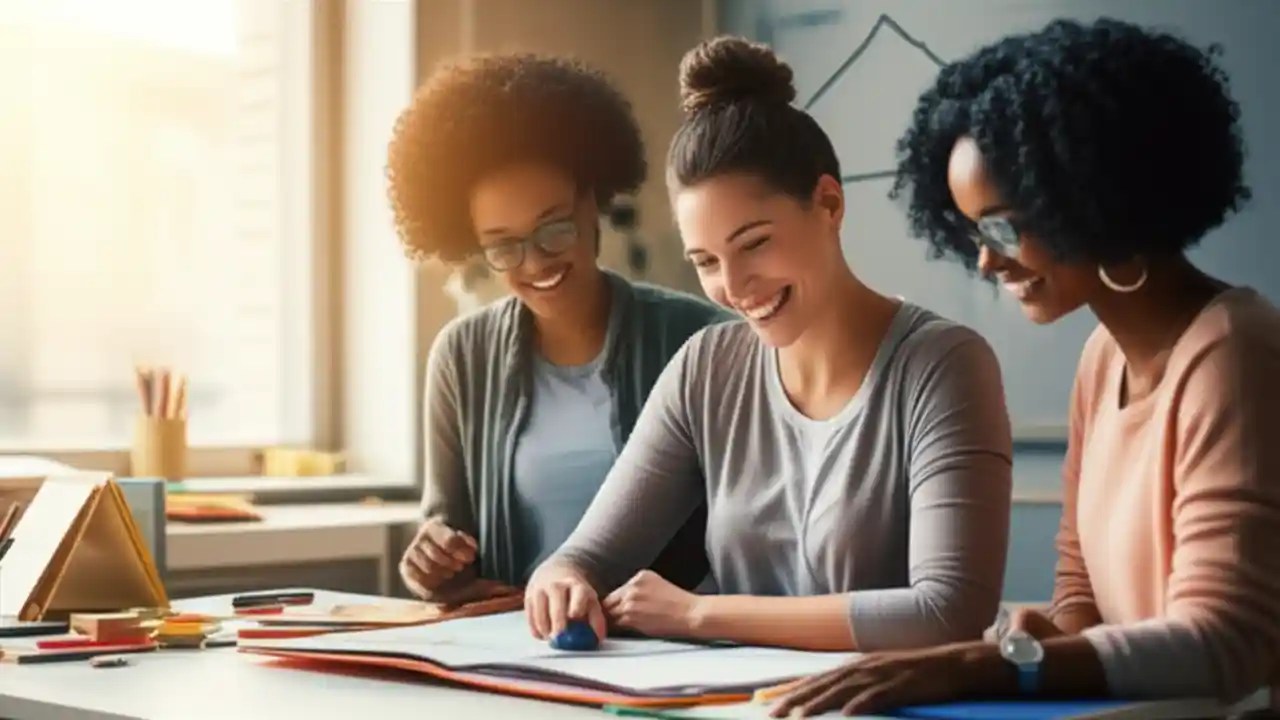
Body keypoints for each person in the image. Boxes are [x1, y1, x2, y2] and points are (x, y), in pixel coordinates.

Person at [771, 17, 1280, 718]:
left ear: (1095, 196)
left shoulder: (1235, 350)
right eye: (975, 231)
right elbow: (1081, 594)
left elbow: (1226, 642)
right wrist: (1045, 632)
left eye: (1005, 227)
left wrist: (970, 668)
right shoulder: (1103, 360)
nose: (986, 259)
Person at [522, 36, 1013, 652]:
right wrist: (561, 579)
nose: (732, 287)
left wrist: (700, 615)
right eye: (705, 260)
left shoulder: (943, 365)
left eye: (754, 244)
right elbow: (586, 555)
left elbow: (949, 610)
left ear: (829, 203)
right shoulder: (705, 369)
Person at [388, 52, 731, 604]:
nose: (535, 262)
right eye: (503, 245)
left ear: (593, 201)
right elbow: (445, 543)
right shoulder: (461, 357)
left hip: (665, 649)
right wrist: (430, 563)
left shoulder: (702, 340)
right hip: (520, 649)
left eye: (554, 228)